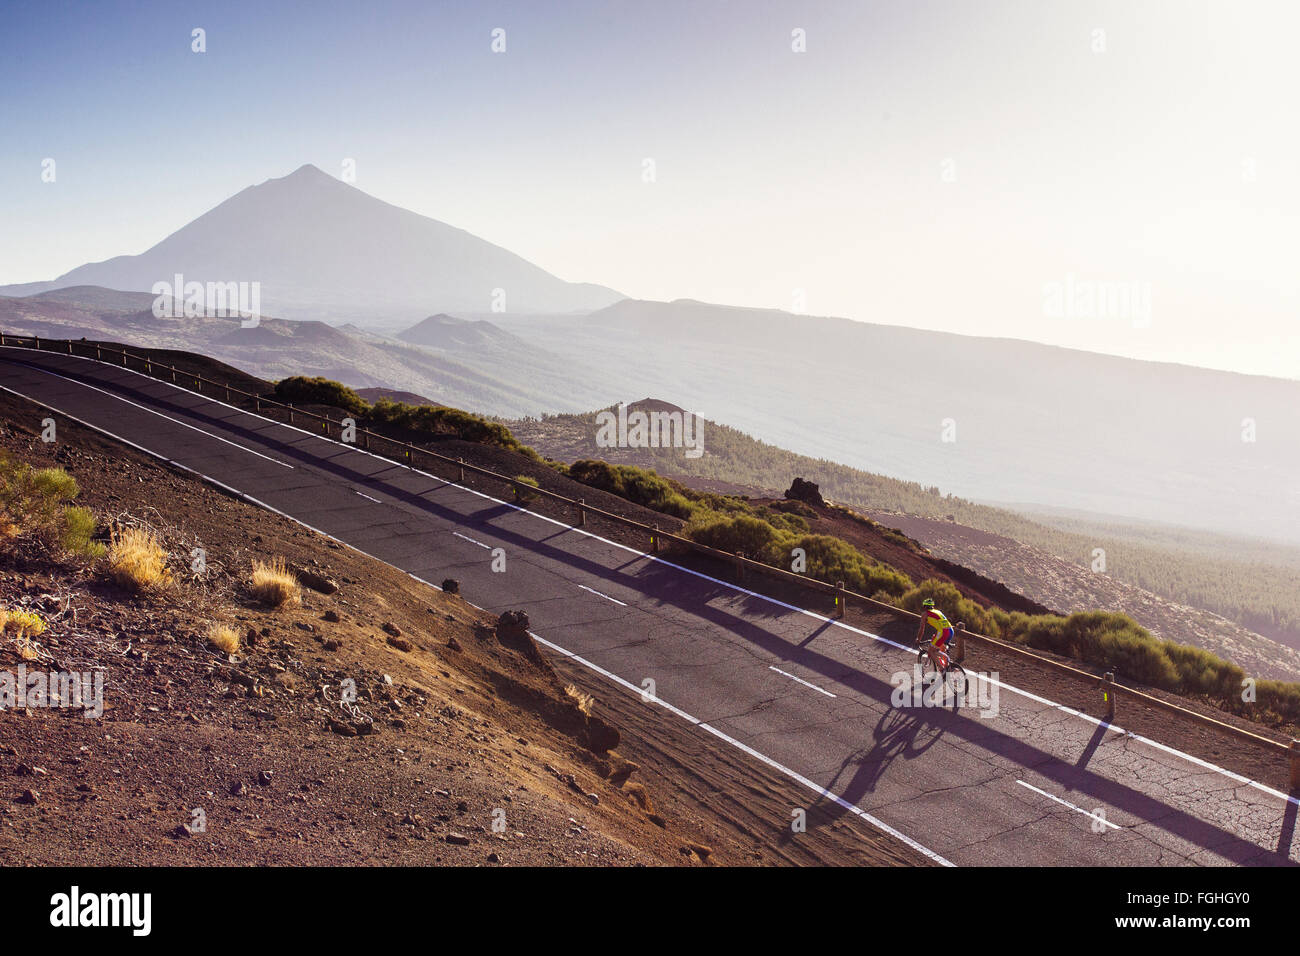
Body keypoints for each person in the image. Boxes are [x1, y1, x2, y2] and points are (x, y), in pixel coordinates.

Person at [916, 598, 958, 669]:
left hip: (943, 632)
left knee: (931, 651)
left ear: (924, 607)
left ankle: (942, 669)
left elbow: (922, 629)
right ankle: (948, 667)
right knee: (941, 648)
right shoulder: (938, 611)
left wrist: (918, 639)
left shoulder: (925, 614)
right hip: (950, 630)